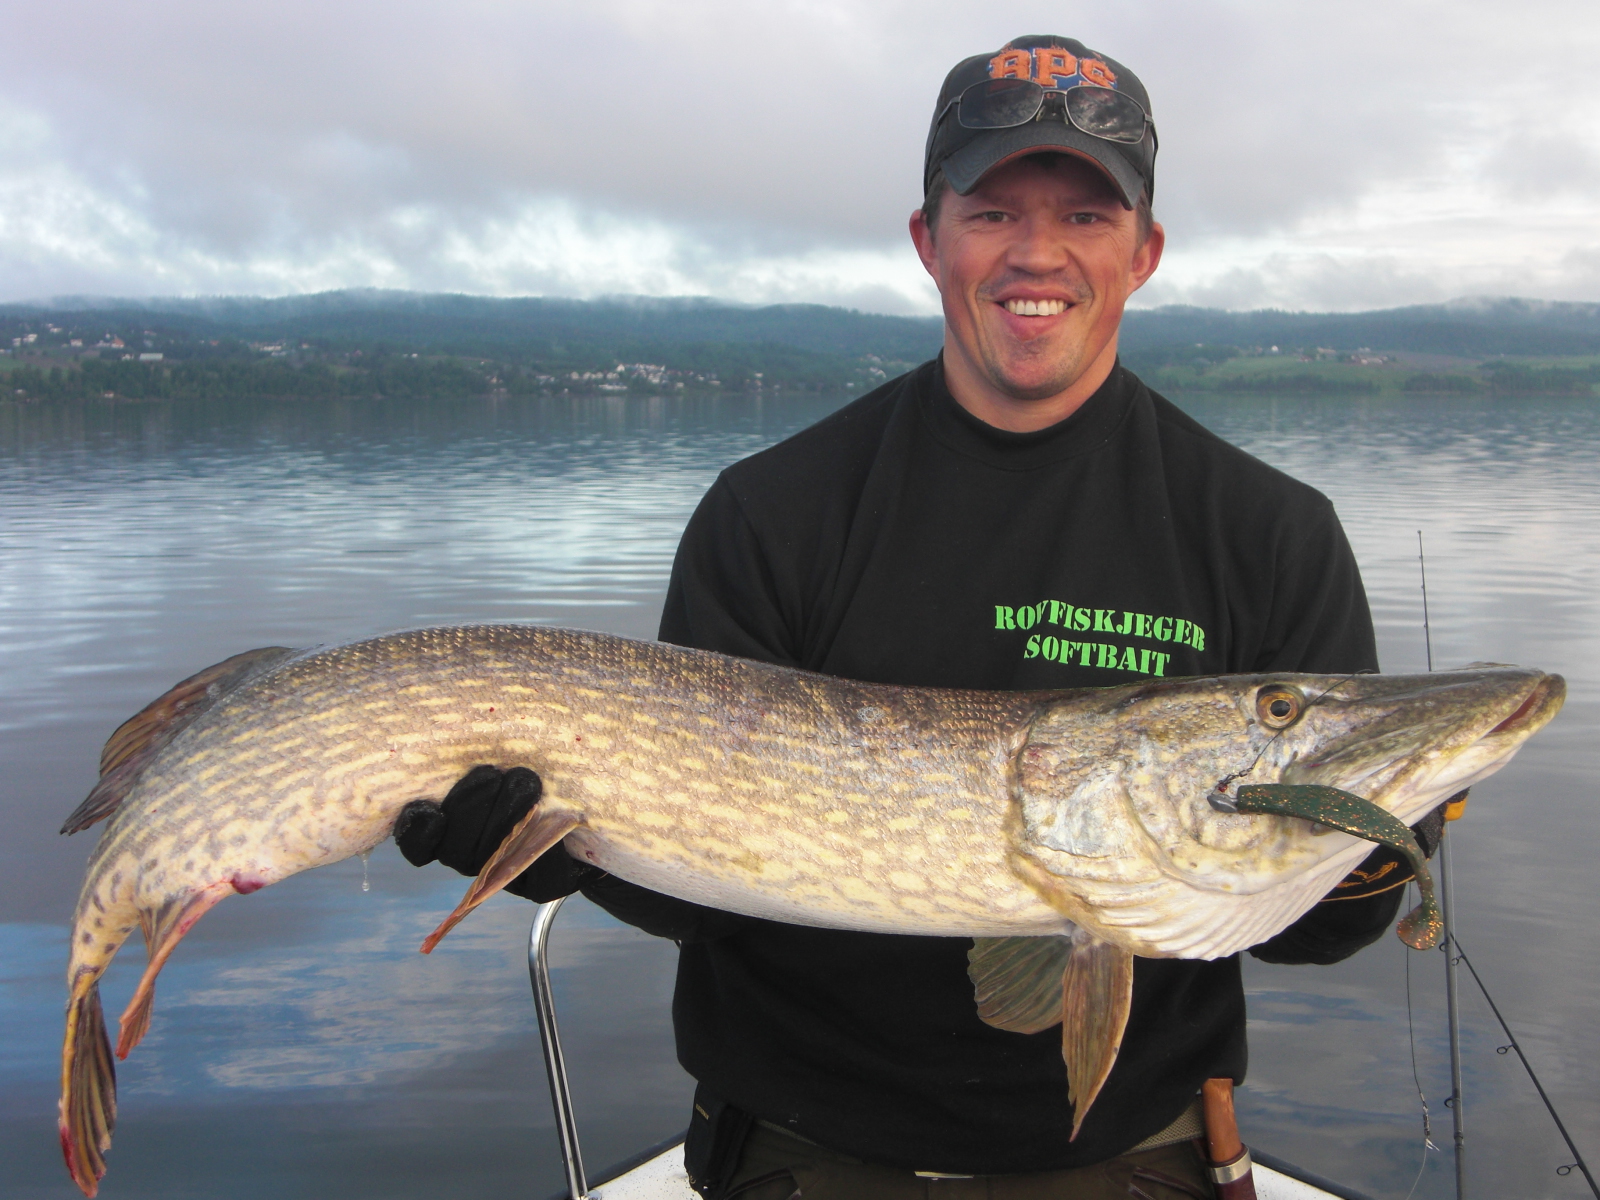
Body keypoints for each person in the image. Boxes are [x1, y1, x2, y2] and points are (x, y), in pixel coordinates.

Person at [397, 34, 1435, 1199]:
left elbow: (1315, 932)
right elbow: (702, 894)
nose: (1036, 253)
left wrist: (1383, 832)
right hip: (804, 1153)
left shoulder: (1266, 531)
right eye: (991, 212)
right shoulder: (774, 512)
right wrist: (556, 850)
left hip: (1132, 1156)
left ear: (1142, 252)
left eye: (1085, 216)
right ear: (927, 240)